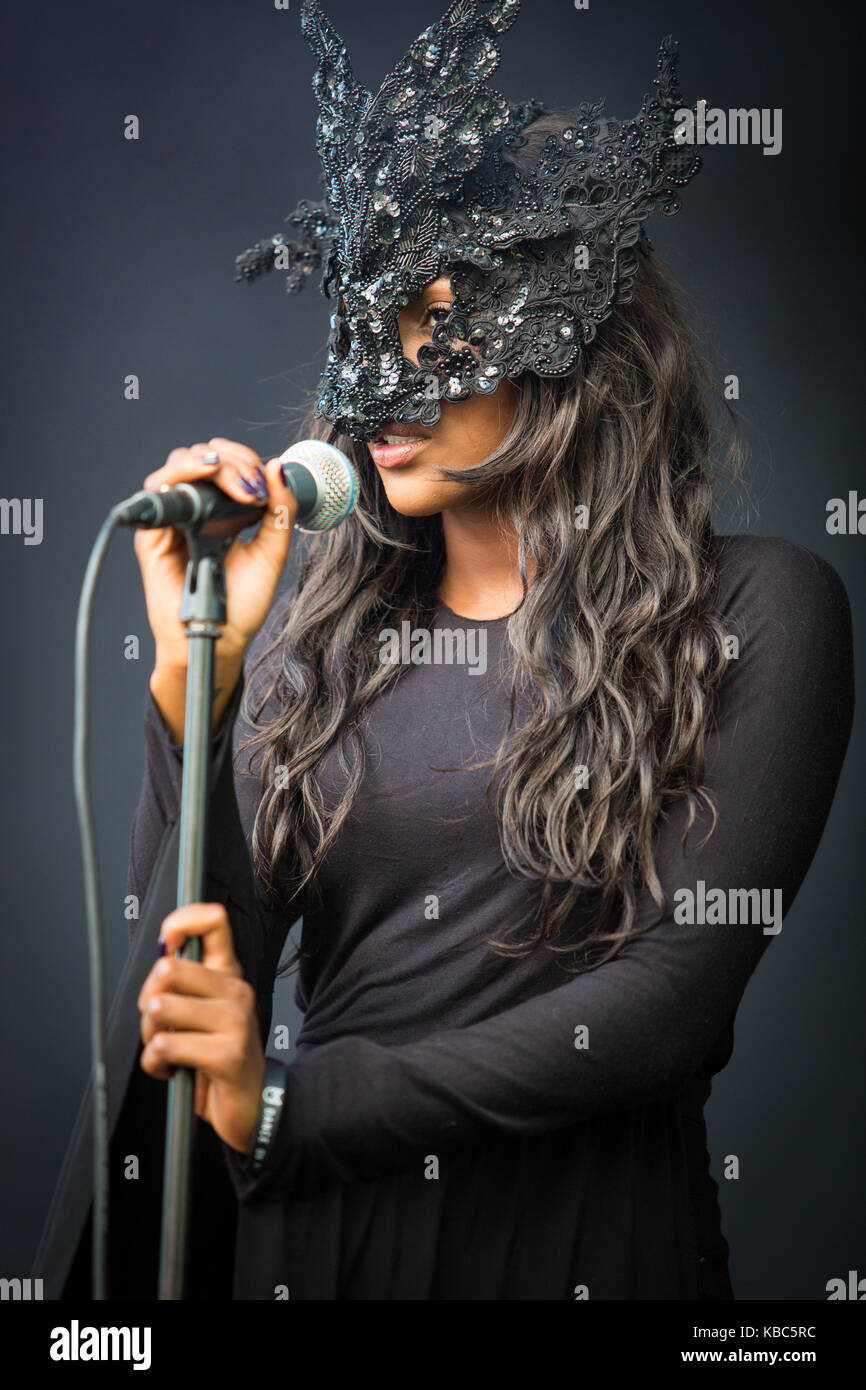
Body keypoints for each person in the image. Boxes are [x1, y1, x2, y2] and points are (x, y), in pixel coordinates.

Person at [34, 0, 855, 1300]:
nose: (376, 386)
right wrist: (198, 686)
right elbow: (200, 976)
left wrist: (303, 1099)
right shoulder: (317, 640)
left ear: (569, 343)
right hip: (313, 1245)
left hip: (588, 1239)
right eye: (359, 332)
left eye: (430, 326)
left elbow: (668, 999)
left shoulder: (757, 609)